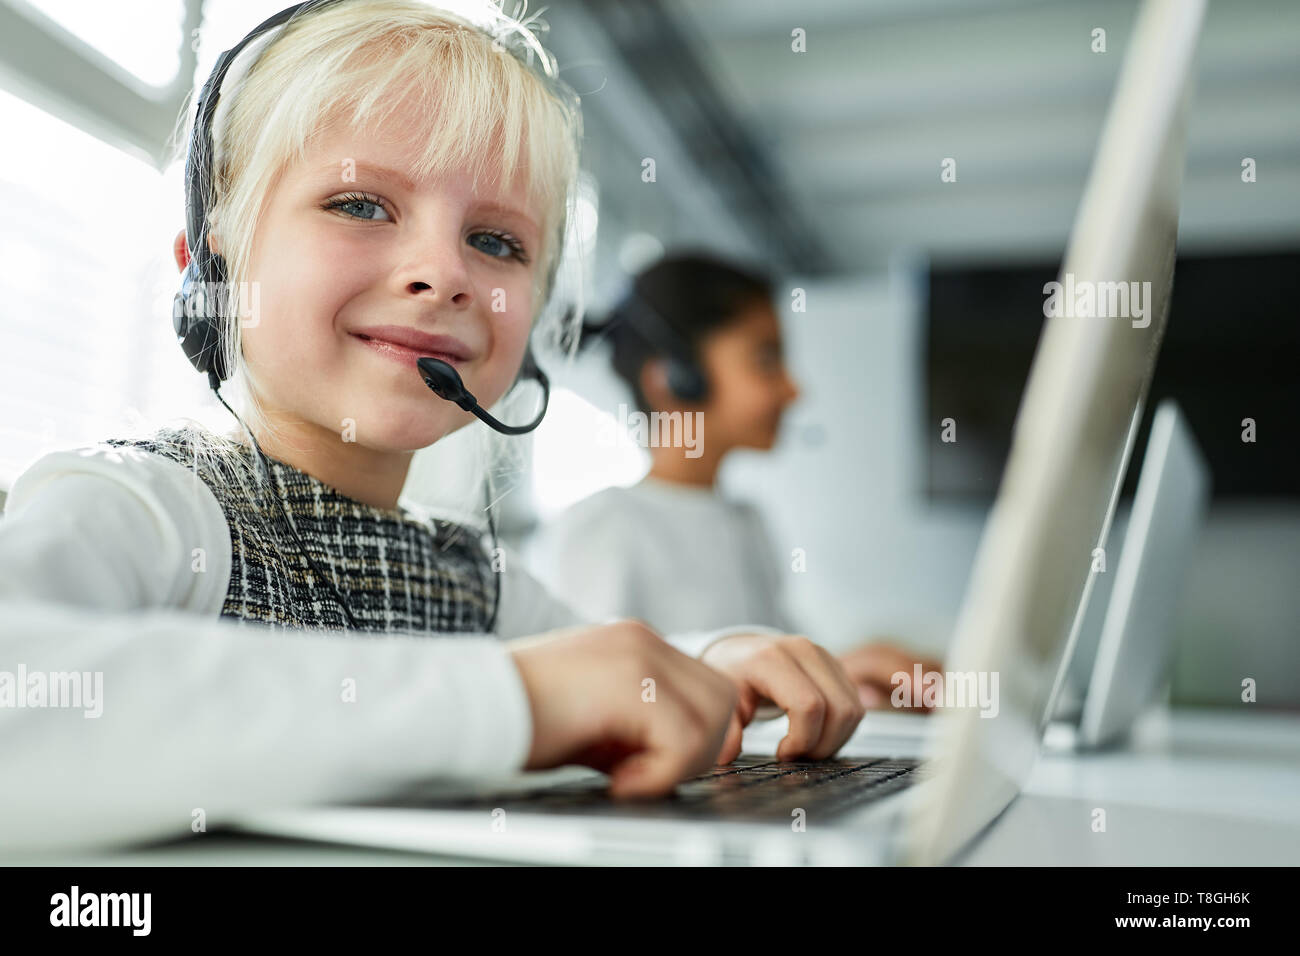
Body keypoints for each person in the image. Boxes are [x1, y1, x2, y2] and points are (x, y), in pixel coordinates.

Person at [0, 0, 867, 854]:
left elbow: (593, 660)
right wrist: (510, 703)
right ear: (210, 261)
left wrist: (719, 656)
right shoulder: (143, 507)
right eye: (360, 204)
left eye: (497, 242)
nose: (444, 273)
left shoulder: (463, 581)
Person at [533, 252, 943, 710]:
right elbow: (595, 693)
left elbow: (773, 678)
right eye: (766, 360)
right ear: (676, 379)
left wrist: (858, 682)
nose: (794, 389)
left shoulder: (747, 522)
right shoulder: (604, 526)